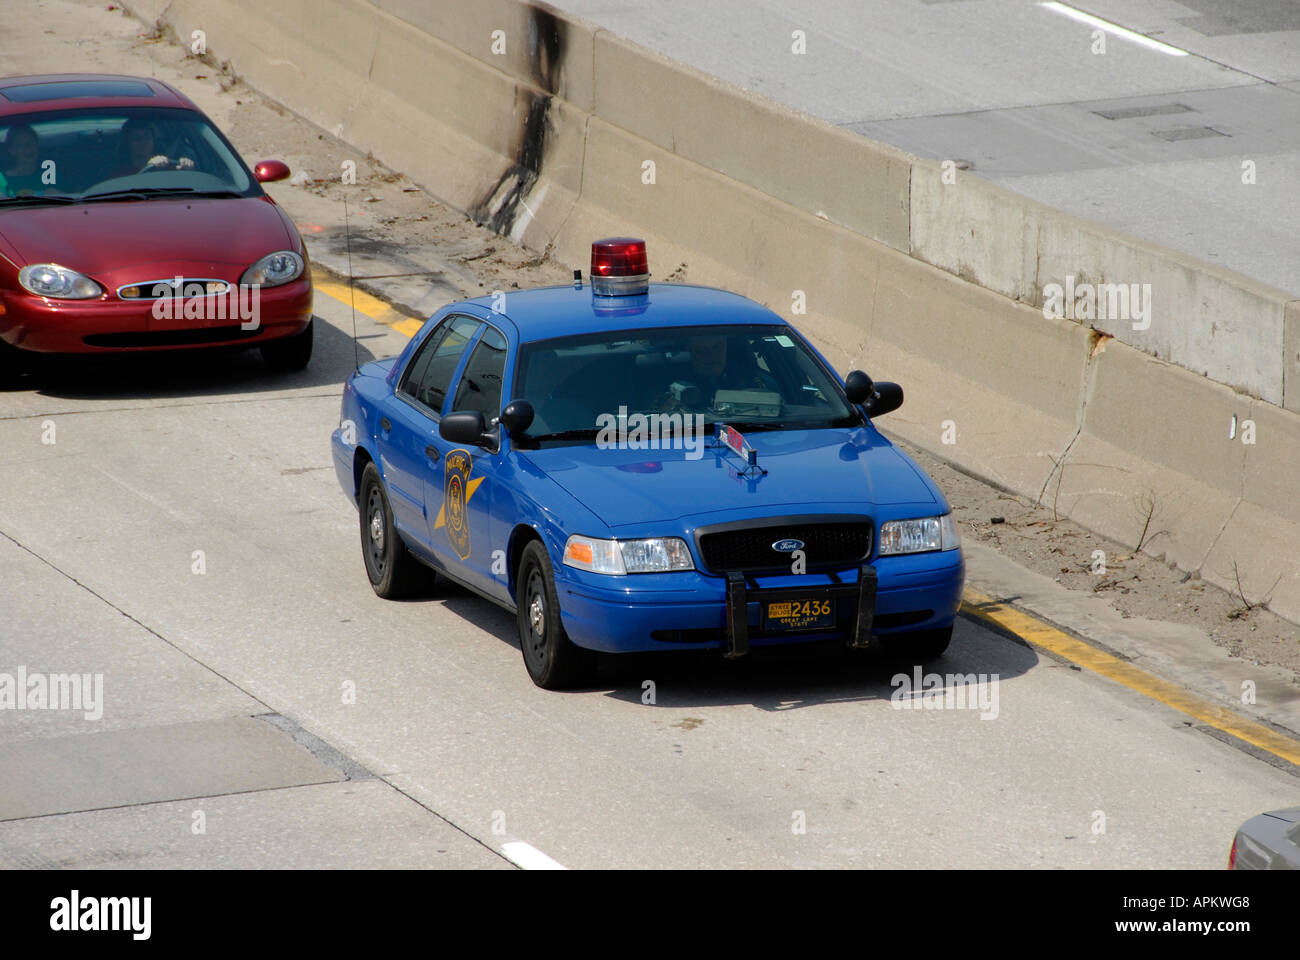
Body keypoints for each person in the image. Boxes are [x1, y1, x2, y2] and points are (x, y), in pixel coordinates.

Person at [109, 119, 194, 178]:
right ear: (128, 144)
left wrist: (187, 170)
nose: (143, 142)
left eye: (147, 137)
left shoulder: (168, 168)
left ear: (153, 141)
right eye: (137, 138)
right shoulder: (120, 175)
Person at [2, 125, 45, 196]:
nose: (28, 148)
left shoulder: (50, 174)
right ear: (12, 150)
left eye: (31, 142)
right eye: (21, 144)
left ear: (37, 145)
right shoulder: (2, 181)